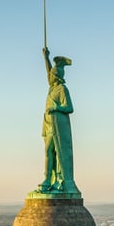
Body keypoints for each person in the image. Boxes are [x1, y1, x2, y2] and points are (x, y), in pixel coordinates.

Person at [38, 47, 78, 194]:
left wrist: (56, 108)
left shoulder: (62, 89)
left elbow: (69, 108)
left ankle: (57, 180)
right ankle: (47, 179)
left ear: (58, 76)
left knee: (57, 151)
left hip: (58, 124)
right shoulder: (52, 88)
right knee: (48, 150)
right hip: (48, 123)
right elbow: (48, 72)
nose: (50, 76)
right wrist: (46, 58)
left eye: (53, 75)